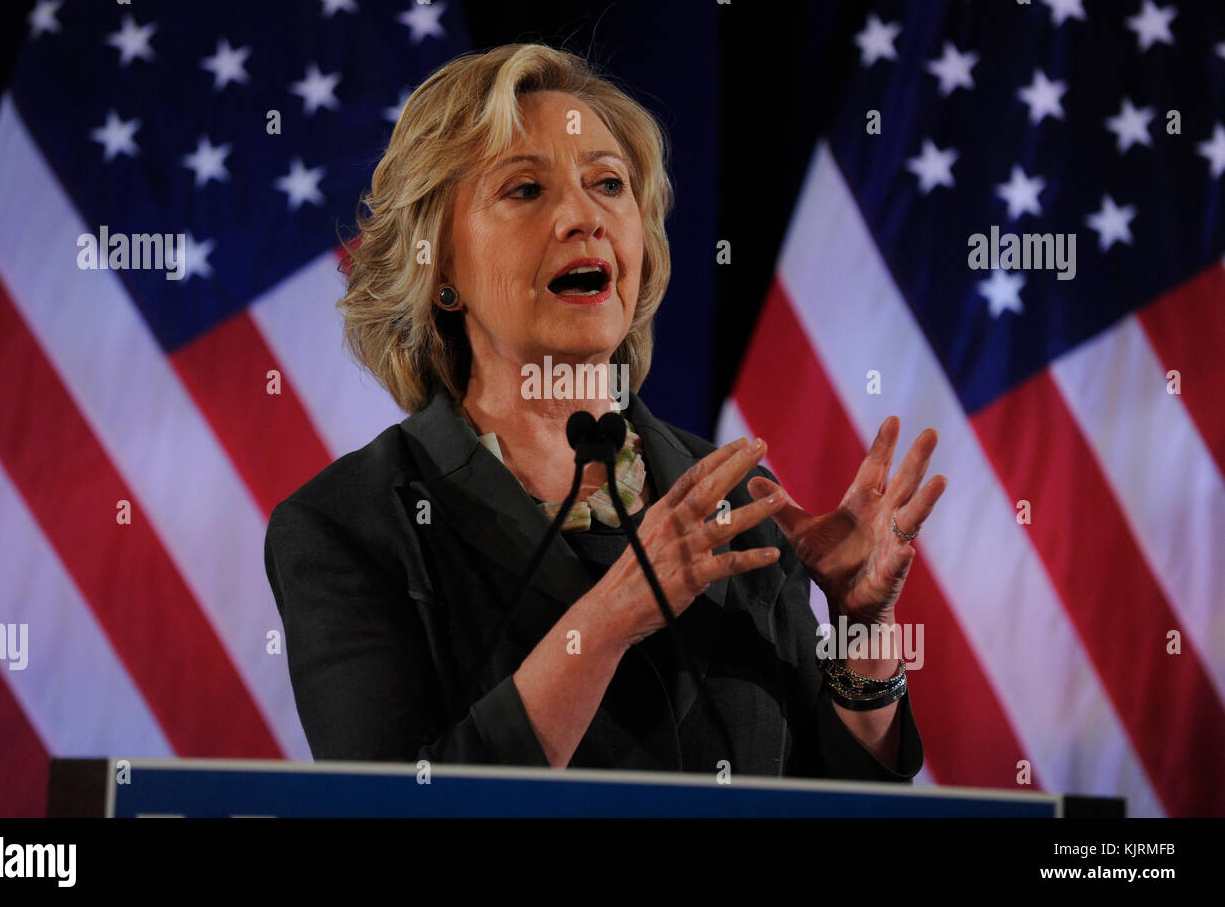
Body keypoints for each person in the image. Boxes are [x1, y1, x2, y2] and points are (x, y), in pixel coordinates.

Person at [264, 42, 947, 780]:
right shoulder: (350, 525)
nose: (582, 217)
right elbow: (398, 812)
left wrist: (860, 630)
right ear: (441, 271)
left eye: (609, 185)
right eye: (525, 190)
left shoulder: (734, 498)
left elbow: (843, 795)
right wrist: (611, 618)